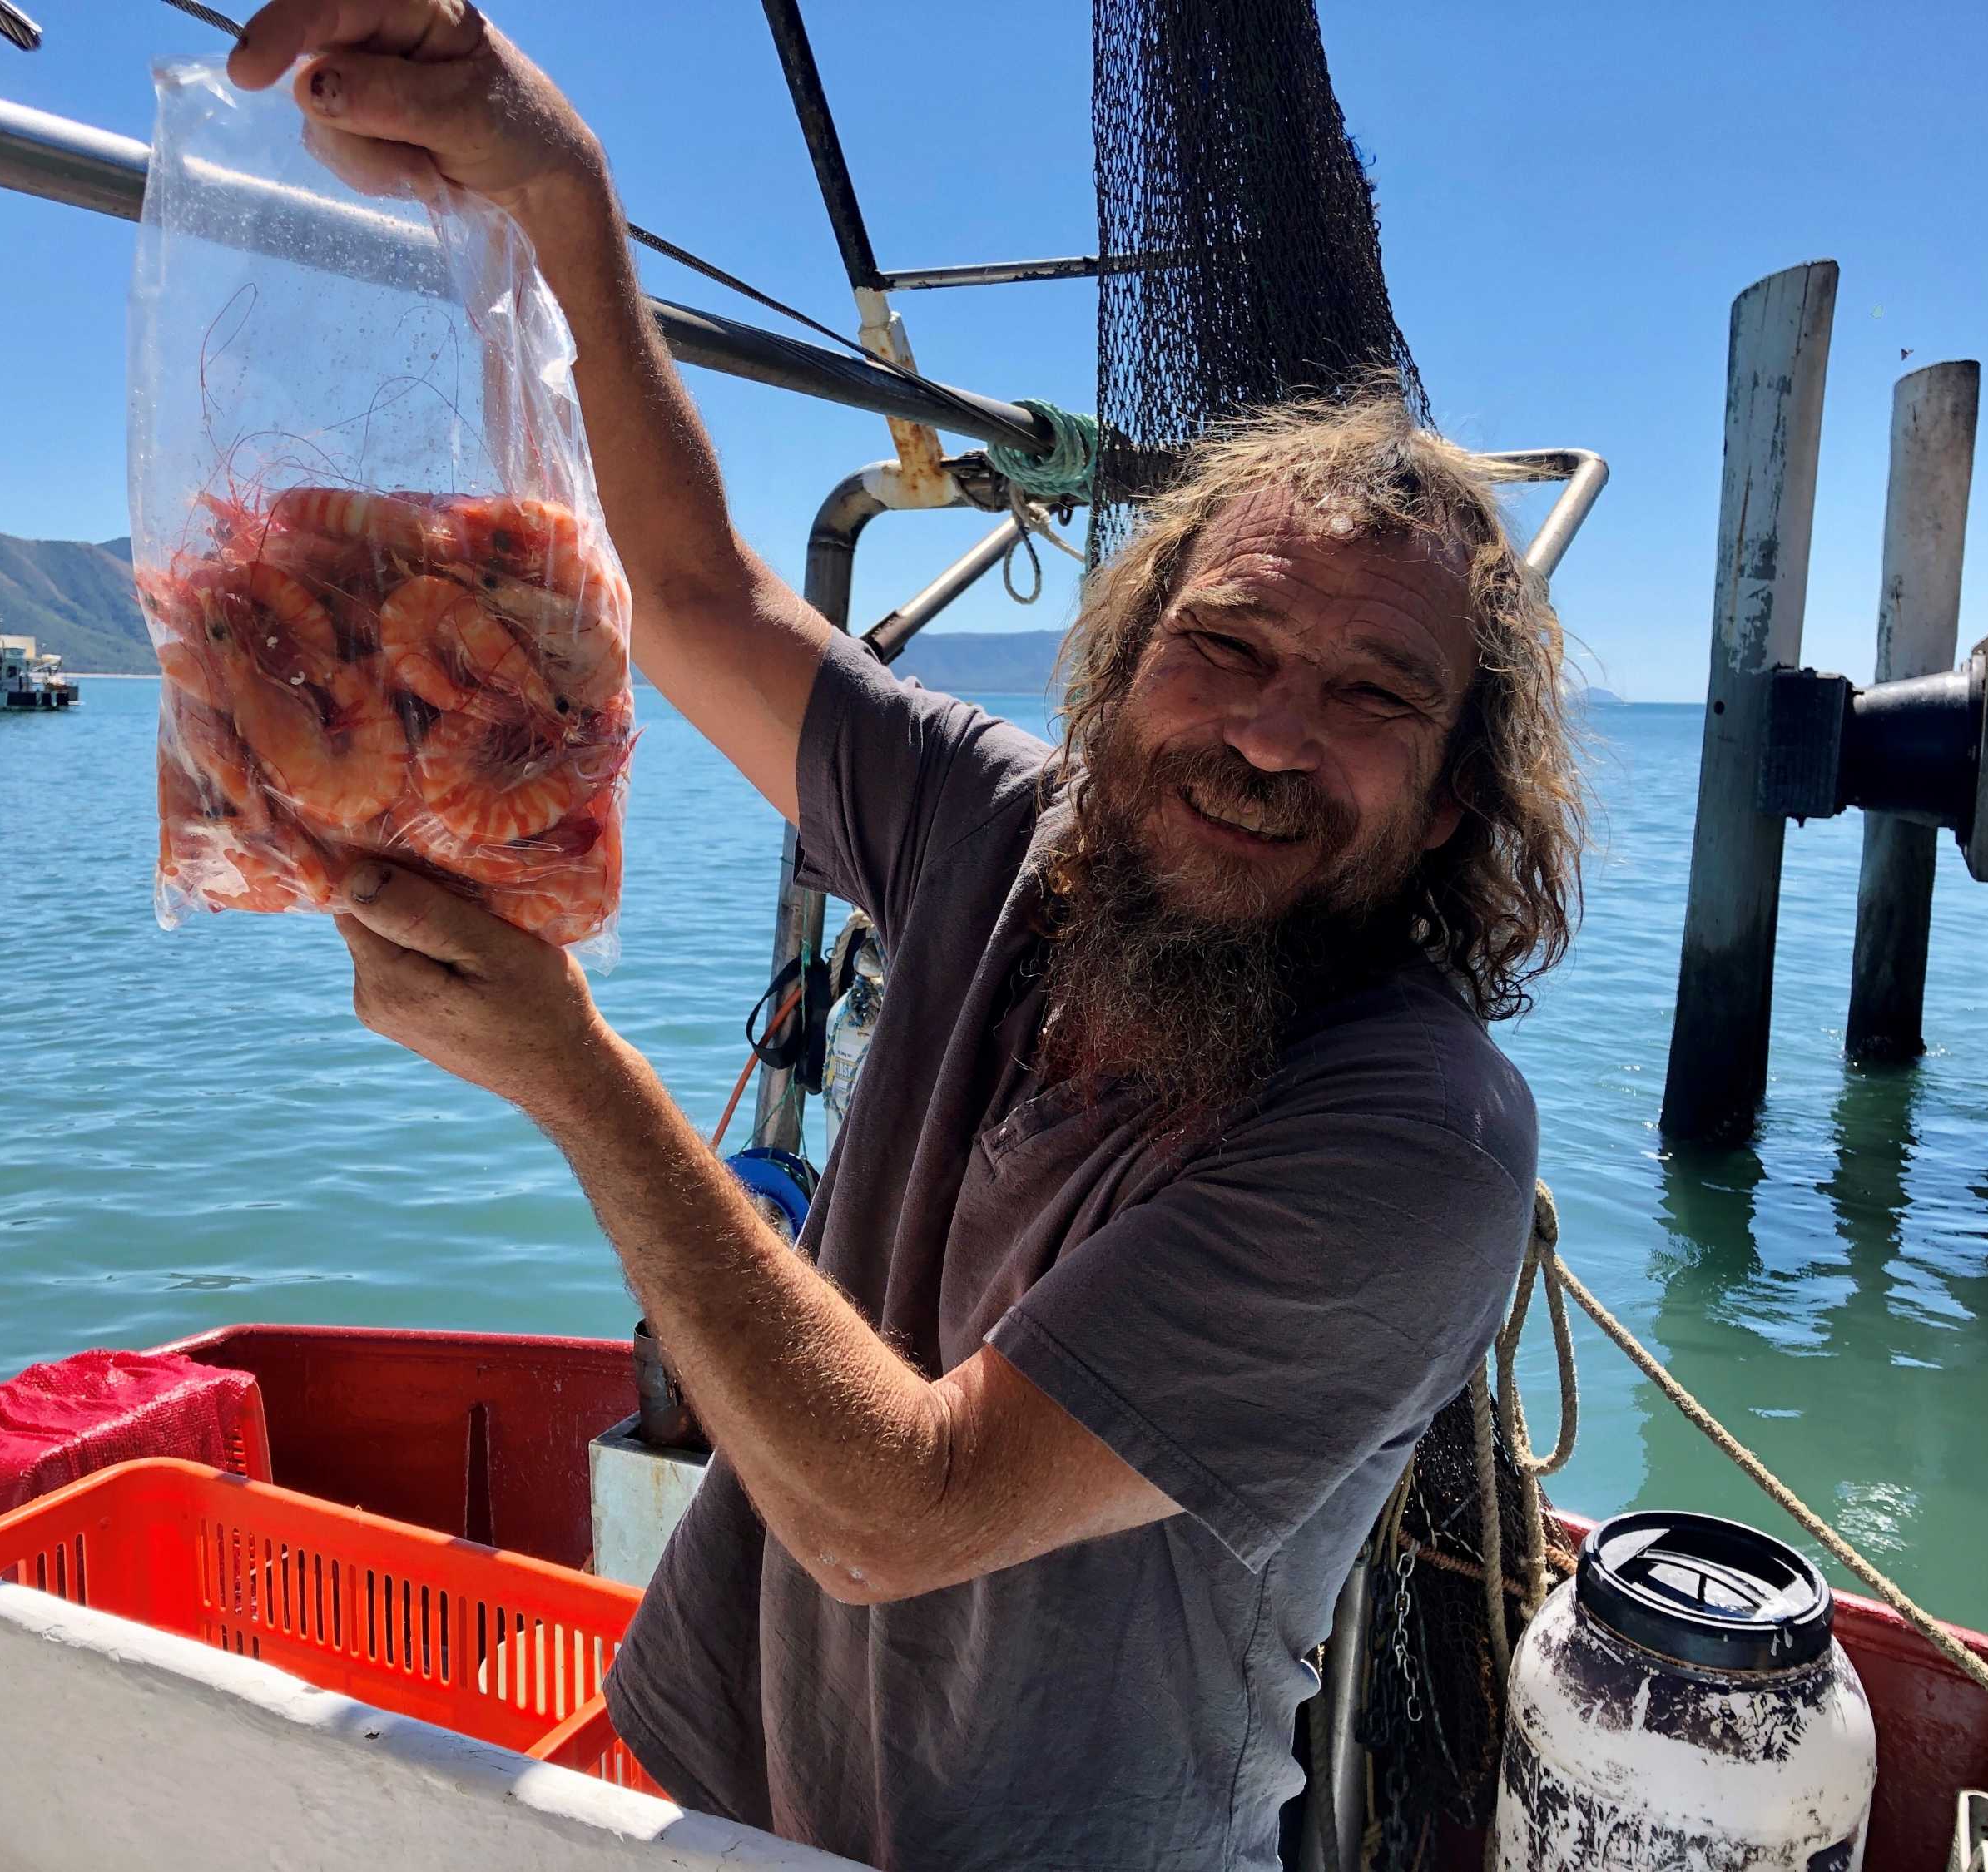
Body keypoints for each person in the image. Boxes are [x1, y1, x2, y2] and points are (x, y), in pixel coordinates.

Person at [232, 7, 1586, 1867]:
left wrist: (574, 1072)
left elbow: (902, 1511)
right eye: (1233, 647)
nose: (1271, 733)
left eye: (1370, 696)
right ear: (1119, 668)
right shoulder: (1006, 830)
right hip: (737, 1774)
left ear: (1447, 803)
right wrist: (561, 188)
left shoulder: (1420, 1139)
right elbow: (694, 595)